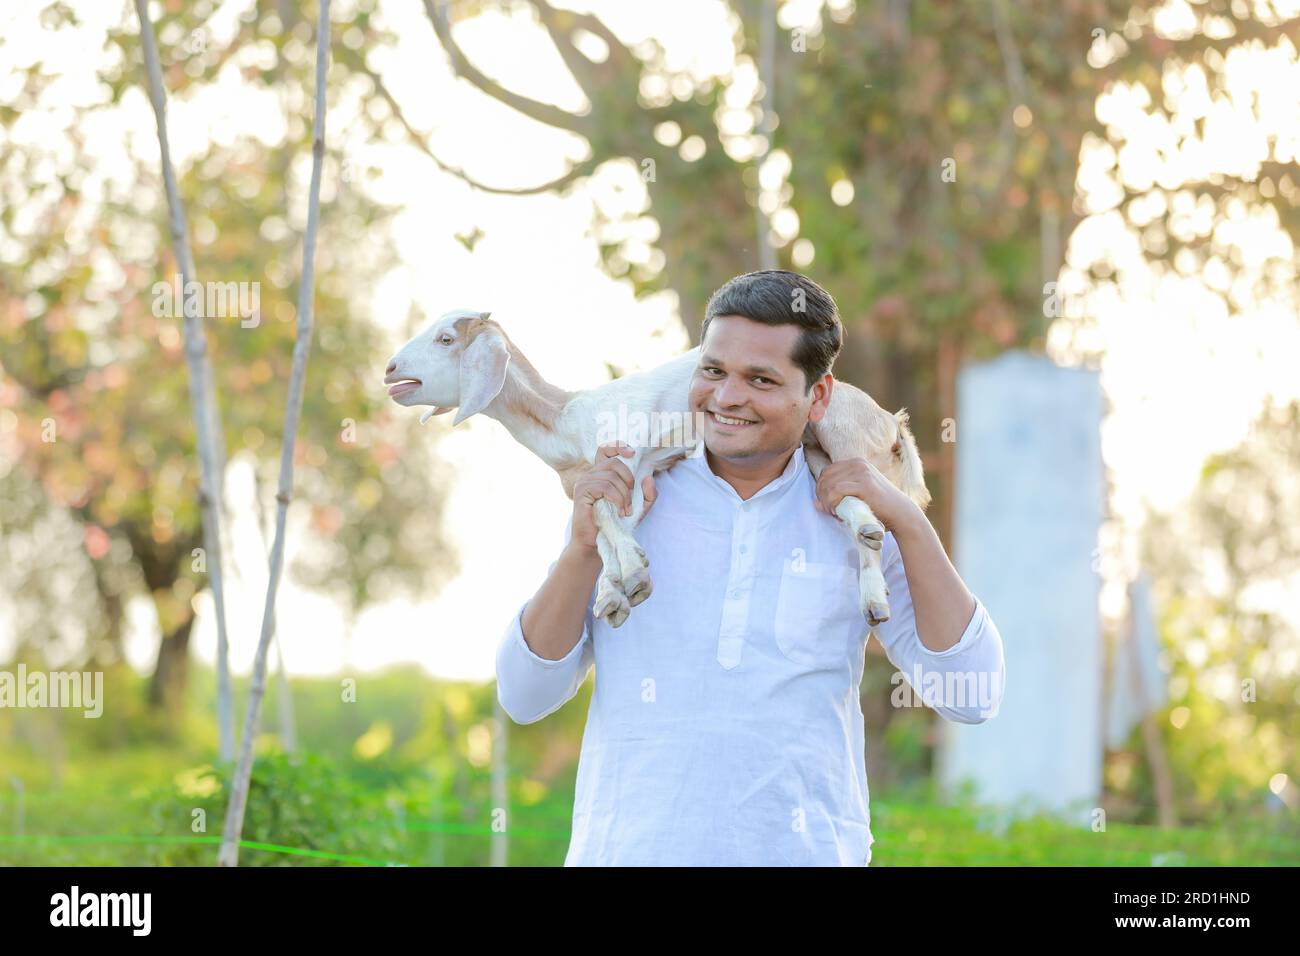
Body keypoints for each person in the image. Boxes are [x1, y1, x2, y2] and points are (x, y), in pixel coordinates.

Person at [495, 269, 1006, 866]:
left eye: (760, 380)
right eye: (713, 371)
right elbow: (524, 695)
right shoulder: (626, 503)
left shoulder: (859, 523)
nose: (727, 397)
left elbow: (974, 693)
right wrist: (582, 550)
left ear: (818, 397)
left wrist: (909, 522)